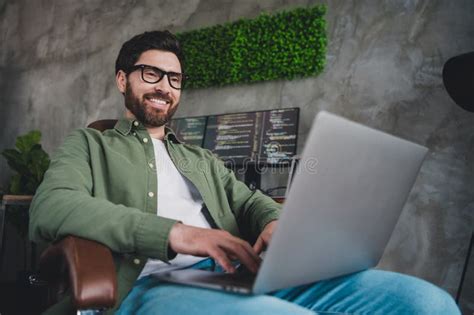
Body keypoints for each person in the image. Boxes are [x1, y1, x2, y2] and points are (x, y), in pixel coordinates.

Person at [29, 30, 460, 314]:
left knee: (426, 302)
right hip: (150, 287)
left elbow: (251, 200)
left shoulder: (202, 159)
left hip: (240, 278)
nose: (165, 86)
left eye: (175, 78)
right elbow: (52, 206)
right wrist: (175, 233)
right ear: (124, 79)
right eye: (152, 73)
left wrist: (274, 222)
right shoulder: (90, 144)